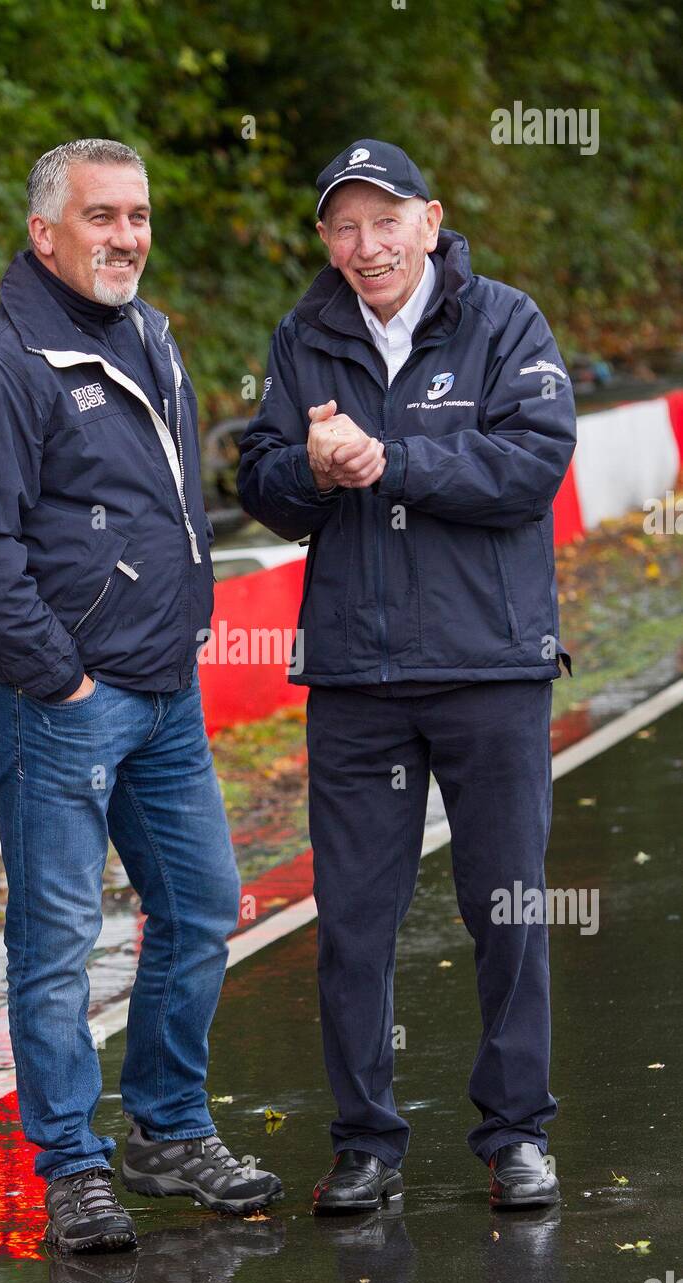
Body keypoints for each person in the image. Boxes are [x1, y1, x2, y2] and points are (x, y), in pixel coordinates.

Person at [0, 138, 282, 1254]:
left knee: (202, 906)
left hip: (162, 689)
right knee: (59, 939)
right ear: (44, 234)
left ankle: (166, 1129)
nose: (125, 236)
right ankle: (72, 1166)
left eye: (137, 215)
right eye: (100, 216)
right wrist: (62, 678)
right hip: (54, 700)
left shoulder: (149, 334)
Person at [238, 138, 576, 1214]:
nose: (366, 244)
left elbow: (532, 466)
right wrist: (310, 467)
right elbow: (259, 482)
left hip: (490, 667)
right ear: (325, 238)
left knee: (507, 910)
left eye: (386, 221)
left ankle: (516, 1134)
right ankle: (365, 1146)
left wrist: (391, 459)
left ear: (429, 222)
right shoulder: (303, 335)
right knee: (352, 923)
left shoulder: (505, 322)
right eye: (344, 225)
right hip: (355, 676)